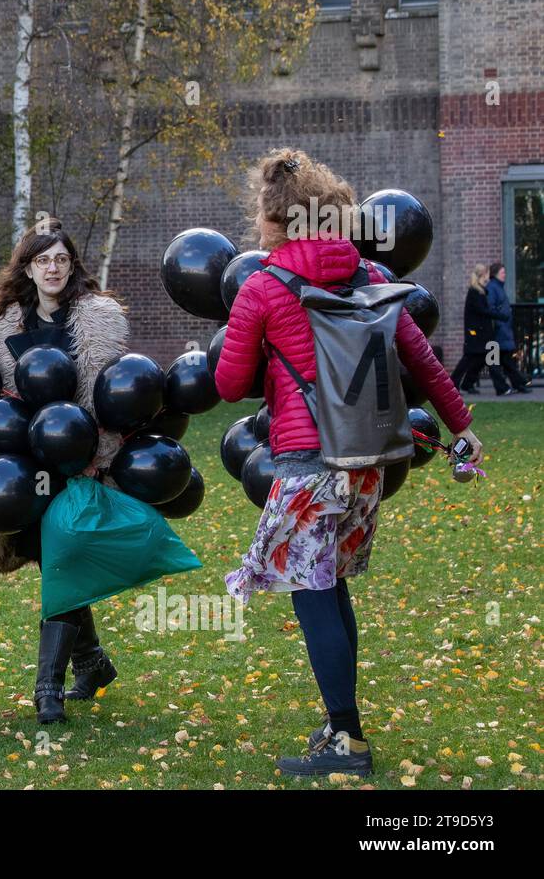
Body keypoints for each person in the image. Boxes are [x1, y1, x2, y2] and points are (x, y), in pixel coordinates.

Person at [215, 148, 483, 777]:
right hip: (365, 460)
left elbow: (228, 387)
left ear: (277, 221)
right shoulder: (367, 275)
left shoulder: (263, 286)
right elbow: (420, 359)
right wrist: (463, 427)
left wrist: (267, 361)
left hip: (307, 463)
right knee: (330, 587)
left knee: (312, 595)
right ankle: (343, 727)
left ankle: (348, 742)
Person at [0, 217, 130, 724]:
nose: (53, 268)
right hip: (25, 464)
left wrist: (97, 459)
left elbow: (111, 396)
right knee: (52, 561)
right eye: (43, 260)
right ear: (29, 269)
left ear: (71, 265)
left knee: (61, 563)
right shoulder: (2, 324)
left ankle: (48, 692)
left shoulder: (97, 318)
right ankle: (93, 663)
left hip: (81, 460)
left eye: (61, 259)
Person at [449, 265, 505, 394]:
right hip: (476, 333)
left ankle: (467, 384)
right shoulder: (475, 292)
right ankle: (454, 384)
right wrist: (499, 315)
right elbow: (482, 311)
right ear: (483, 275)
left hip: (480, 332)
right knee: (470, 358)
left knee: (478, 359)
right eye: (487, 274)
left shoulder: (479, 291)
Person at [486, 261, 532, 394]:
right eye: (502, 272)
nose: (505, 274)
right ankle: (513, 385)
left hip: (501, 332)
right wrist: (500, 323)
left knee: (504, 362)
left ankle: (515, 385)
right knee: (497, 362)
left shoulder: (496, 287)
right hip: (498, 333)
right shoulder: (494, 288)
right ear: (496, 274)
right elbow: (492, 309)